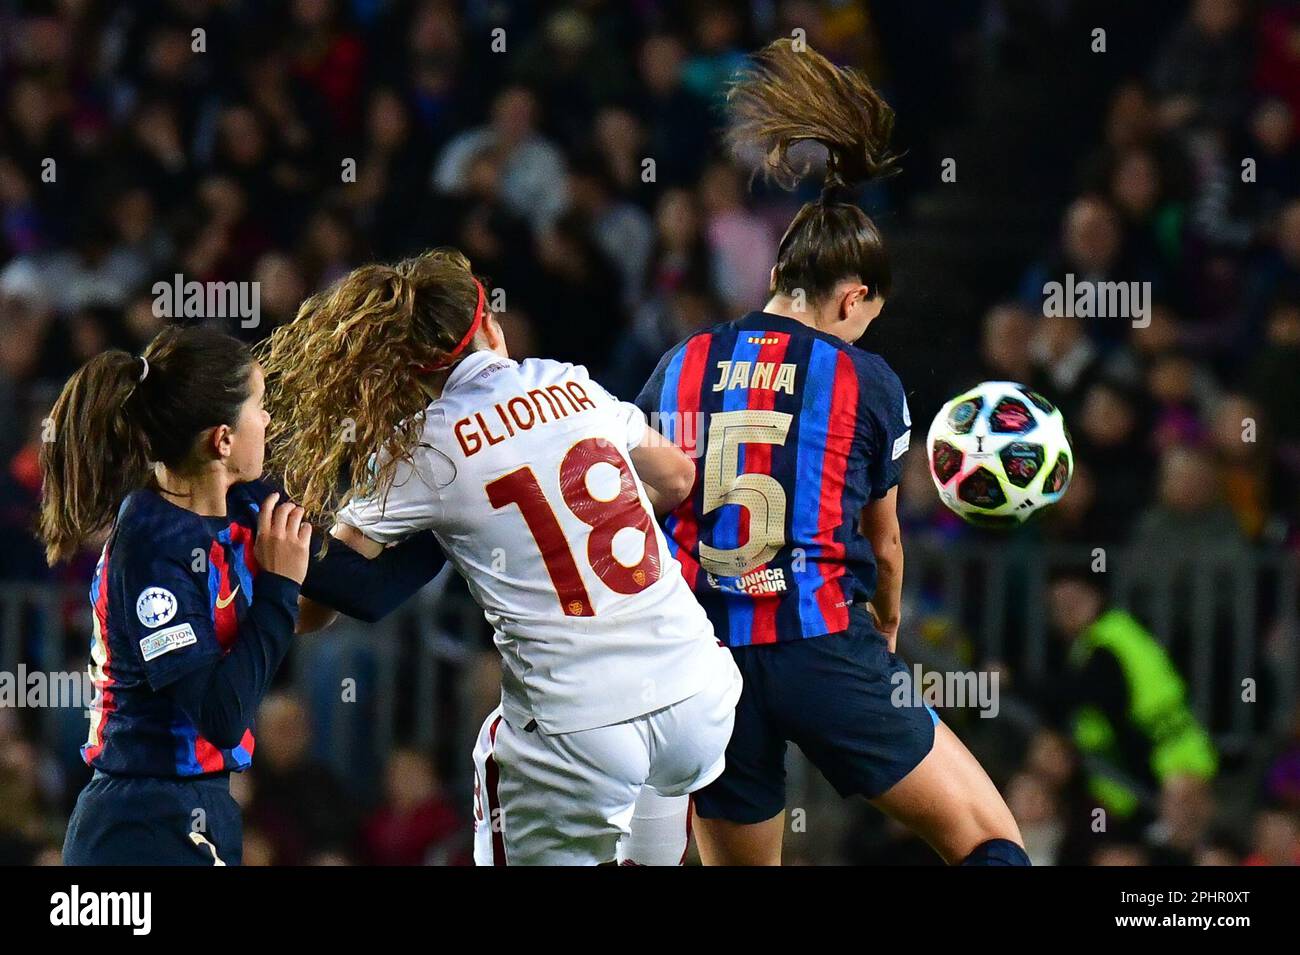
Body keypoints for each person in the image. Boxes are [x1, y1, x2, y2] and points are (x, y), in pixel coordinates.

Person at [635, 40, 1026, 866]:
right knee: (987, 837)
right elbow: (884, 543)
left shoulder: (679, 364)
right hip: (824, 645)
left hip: (710, 665)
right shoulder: (865, 379)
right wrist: (883, 626)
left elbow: (646, 494)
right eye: (866, 316)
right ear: (852, 296)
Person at [258, 248, 742, 865]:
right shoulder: (567, 381)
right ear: (489, 324)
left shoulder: (422, 449)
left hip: (582, 727)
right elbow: (676, 477)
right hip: (697, 692)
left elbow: (315, 609)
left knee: (499, 742)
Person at [40, 326, 444, 865]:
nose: (269, 421)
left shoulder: (250, 501)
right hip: (136, 824)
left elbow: (366, 591)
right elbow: (220, 713)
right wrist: (278, 588)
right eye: (258, 405)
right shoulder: (152, 547)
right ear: (222, 439)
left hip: (208, 808)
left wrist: (460, 509)